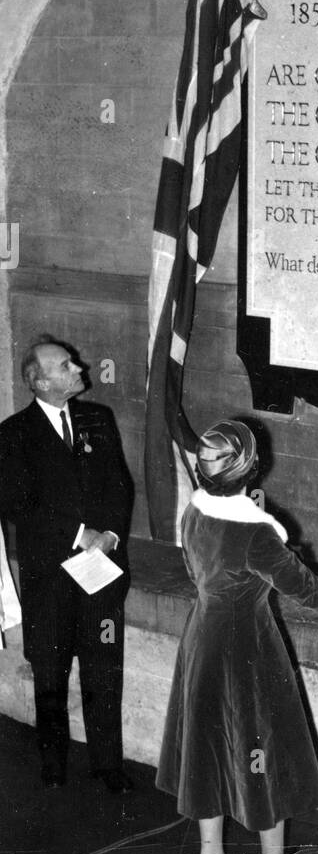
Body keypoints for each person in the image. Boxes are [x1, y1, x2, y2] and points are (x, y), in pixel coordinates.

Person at [156, 420, 318, 854]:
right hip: (248, 649)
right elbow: (313, 592)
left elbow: (196, 571)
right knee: (267, 752)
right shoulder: (257, 532)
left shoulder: (193, 512)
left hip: (201, 637)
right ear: (250, 467)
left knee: (207, 745)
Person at [0, 334, 133, 791]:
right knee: (51, 676)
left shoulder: (99, 419)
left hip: (102, 571)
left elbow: (120, 486)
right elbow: (19, 505)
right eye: (65, 365)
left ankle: (107, 768)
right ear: (39, 382)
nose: (78, 367)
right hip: (51, 579)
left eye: (73, 361)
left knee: (103, 671)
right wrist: (80, 535)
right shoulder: (13, 434)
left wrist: (110, 536)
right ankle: (53, 769)